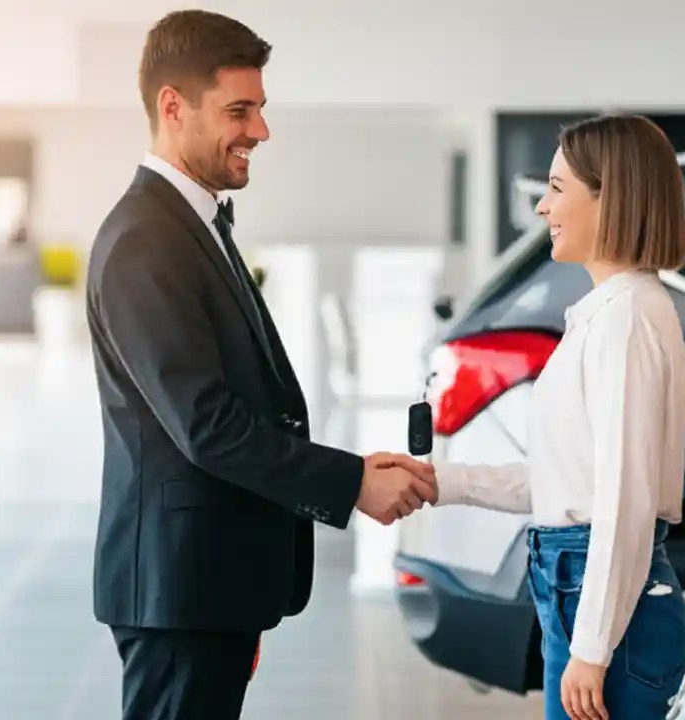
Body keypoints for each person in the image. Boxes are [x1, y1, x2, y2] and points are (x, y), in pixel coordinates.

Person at [85, 10, 437, 720]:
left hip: (204, 583)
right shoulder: (146, 240)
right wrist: (349, 485)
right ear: (173, 107)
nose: (260, 131)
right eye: (239, 111)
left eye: (261, 109)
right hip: (179, 591)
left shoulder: (192, 223)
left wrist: (351, 468)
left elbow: (242, 405)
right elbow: (207, 427)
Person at [386, 115, 685, 719]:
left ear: (612, 198)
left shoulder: (626, 321)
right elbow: (564, 479)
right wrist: (440, 482)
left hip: (602, 605)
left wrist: (593, 648)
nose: (543, 208)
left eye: (557, 188)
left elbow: (624, 502)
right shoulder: (604, 316)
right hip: (576, 588)